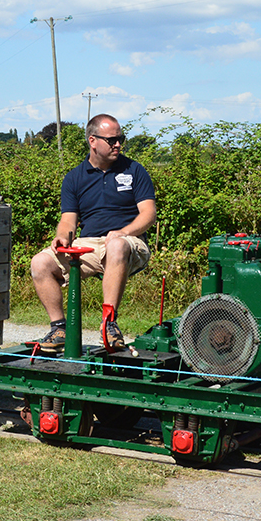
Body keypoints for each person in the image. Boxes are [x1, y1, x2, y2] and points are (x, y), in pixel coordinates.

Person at [30, 113, 156, 350]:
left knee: (116, 245)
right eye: (112, 140)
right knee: (39, 263)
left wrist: (123, 232)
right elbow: (68, 221)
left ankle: (109, 325)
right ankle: (59, 329)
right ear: (92, 141)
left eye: (120, 139)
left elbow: (148, 214)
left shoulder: (134, 170)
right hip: (88, 244)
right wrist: (61, 237)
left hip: (130, 242)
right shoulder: (74, 178)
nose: (118, 145)